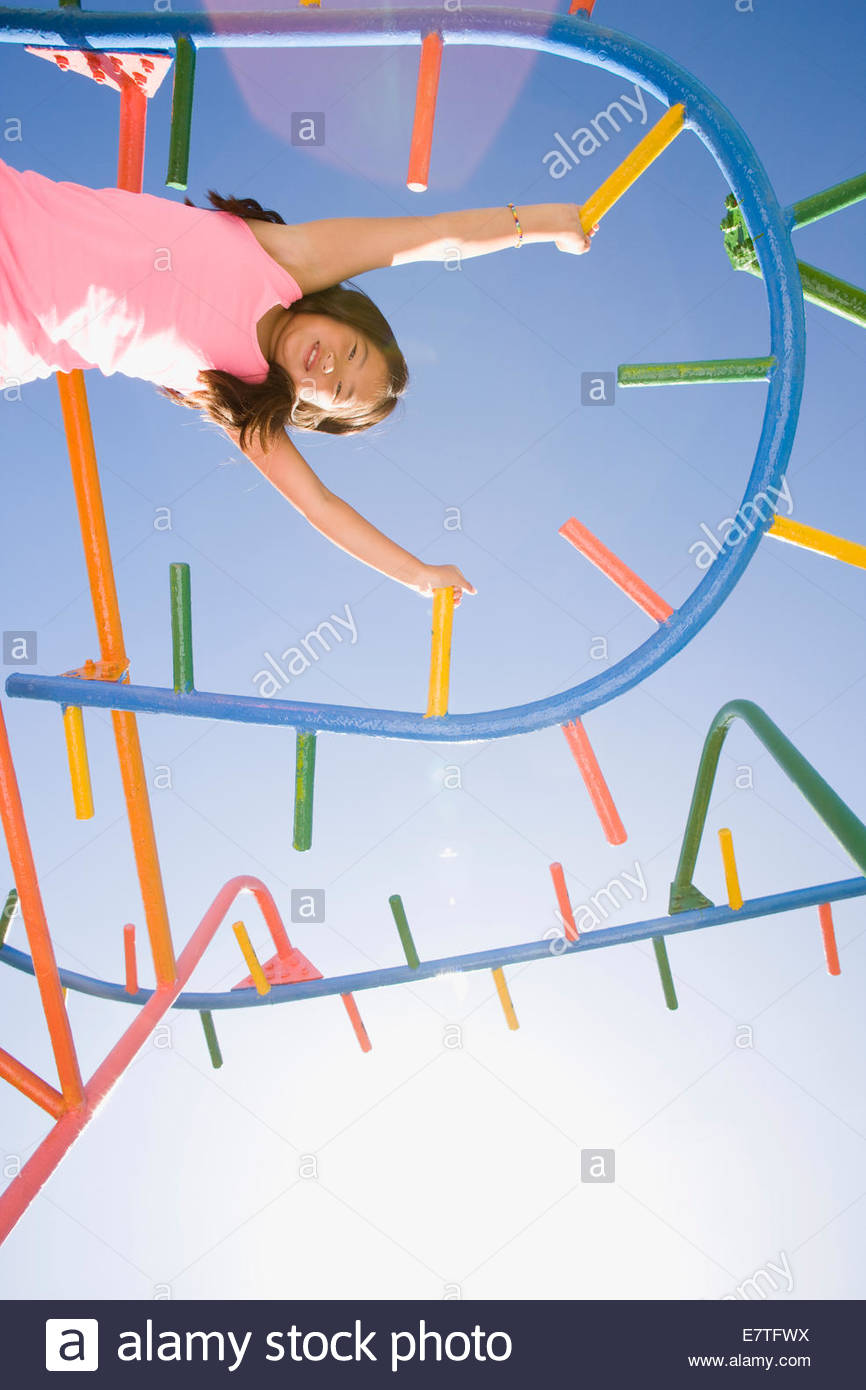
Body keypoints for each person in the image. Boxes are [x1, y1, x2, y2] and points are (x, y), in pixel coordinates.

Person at [0, 157, 596, 605]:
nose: (333, 367)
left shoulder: (235, 395)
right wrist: (546, 223)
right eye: (354, 351)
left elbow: (321, 506)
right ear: (338, 315)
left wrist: (419, 574)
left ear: (308, 407)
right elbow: (433, 236)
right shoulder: (285, 258)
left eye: (338, 389)